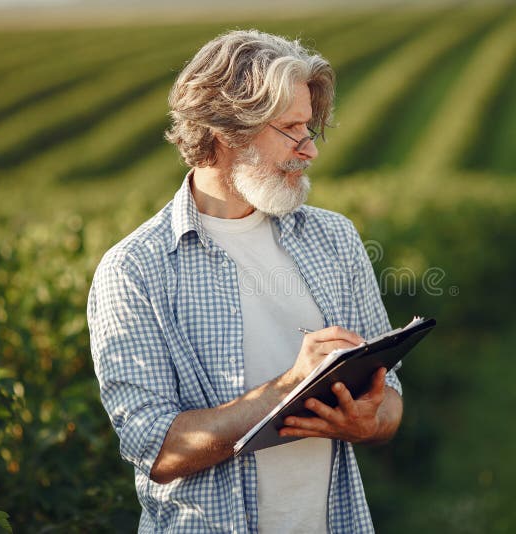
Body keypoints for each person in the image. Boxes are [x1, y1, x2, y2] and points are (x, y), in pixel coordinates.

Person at [87, 29, 403, 533]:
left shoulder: (335, 239)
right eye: (291, 129)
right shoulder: (135, 270)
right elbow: (157, 448)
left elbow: (389, 399)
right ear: (226, 130)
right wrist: (289, 387)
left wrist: (371, 420)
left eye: (310, 129)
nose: (310, 150)